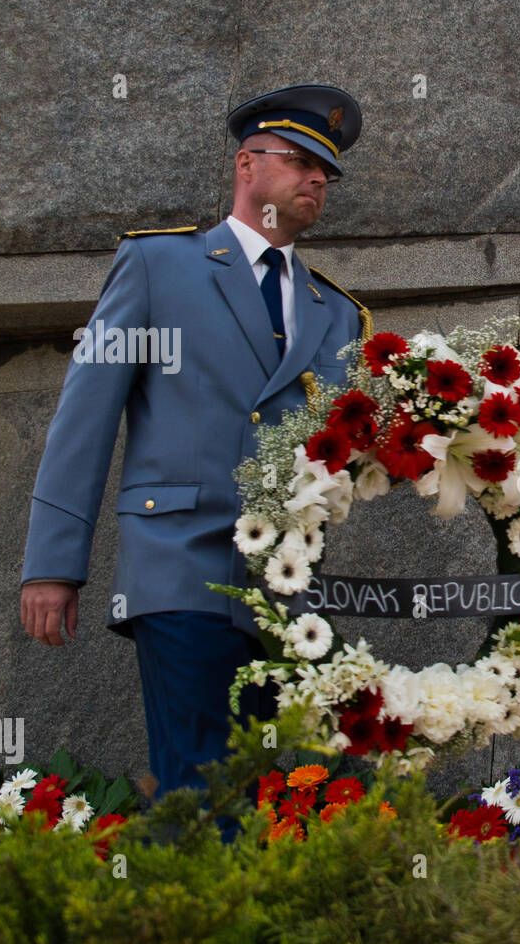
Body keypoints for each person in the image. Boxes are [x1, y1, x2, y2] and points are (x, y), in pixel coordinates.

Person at [19, 84, 371, 800]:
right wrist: (53, 563)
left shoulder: (336, 314)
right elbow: (86, 412)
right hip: (179, 563)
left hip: (281, 593)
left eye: (326, 173)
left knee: (263, 795)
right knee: (202, 787)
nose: (315, 181)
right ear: (247, 164)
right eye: (300, 160)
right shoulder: (160, 266)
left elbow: (342, 457)